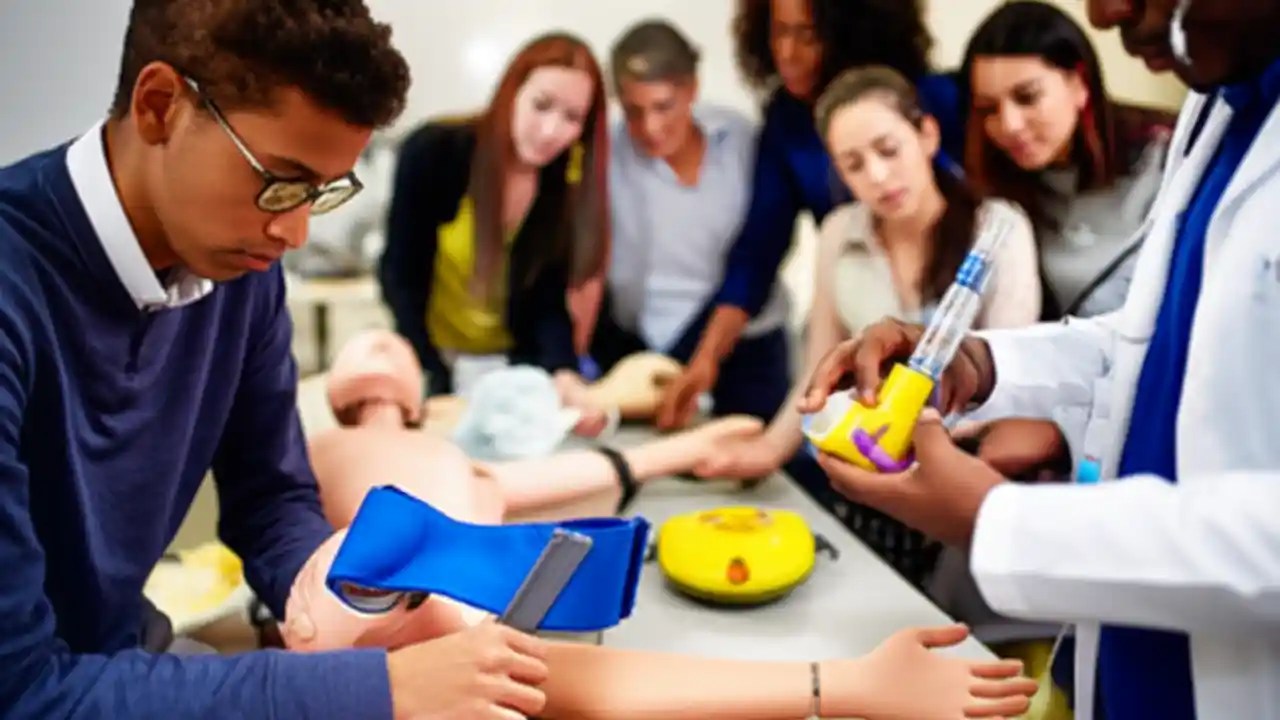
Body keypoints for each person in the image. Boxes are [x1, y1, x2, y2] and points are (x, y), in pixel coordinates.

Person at [0, 2, 572, 718]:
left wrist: (344, 595)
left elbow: (270, 499)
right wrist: (384, 689)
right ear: (160, 106)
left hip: (122, 659)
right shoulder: (17, 288)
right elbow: (21, 689)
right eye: (279, 181)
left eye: (319, 193)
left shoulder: (238, 269)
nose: (294, 232)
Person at [799, 0, 1280, 716]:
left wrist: (994, 519)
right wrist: (981, 363)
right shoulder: (1221, 110)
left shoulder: (1004, 219)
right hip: (1128, 660)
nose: (1103, 11)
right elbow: (1155, 345)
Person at [280, 332, 1040, 720]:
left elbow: (576, 475)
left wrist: (687, 448)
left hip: (419, 605)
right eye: (363, 359)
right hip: (374, 603)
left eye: (391, 353)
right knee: (529, 671)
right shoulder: (315, 454)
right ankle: (849, 684)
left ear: (421, 401)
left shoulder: (460, 467)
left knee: (528, 670)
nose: (377, 356)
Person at [694, 66, 1039, 587]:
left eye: (888, 150)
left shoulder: (997, 228)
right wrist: (766, 450)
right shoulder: (839, 231)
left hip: (961, 475)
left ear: (927, 134)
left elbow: (1007, 381)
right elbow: (819, 369)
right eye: (853, 164)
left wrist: (913, 438)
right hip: (864, 474)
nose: (877, 176)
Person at [654, 0, 967, 429]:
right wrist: (705, 361)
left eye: (806, 35)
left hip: (952, 325)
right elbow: (757, 252)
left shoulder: (935, 101)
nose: (786, 52)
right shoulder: (788, 125)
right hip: (855, 332)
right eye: (777, 32)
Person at [379, 32, 609, 434]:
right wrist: (430, 373)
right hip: (432, 359)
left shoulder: (560, 185)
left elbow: (547, 299)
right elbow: (400, 275)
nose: (551, 131)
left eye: (572, 118)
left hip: (511, 374)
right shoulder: (435, 152)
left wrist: (564, 373)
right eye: (541, 105)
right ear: (511, 92)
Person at [594, 19, 792, 424]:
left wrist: (707, 356)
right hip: (646, 350)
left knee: (759, 454)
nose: (650, 127)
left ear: (691, 89)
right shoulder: (605, 155)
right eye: (633, 111)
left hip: (747, 343)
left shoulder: (741, 139)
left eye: (663, 106)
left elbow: (758, 253)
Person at [960, 0, 1177, 319]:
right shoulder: (996, 201)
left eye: (1027, 97)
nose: (1009, 125)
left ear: (1079, 82)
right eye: (988, 108)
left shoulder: (1167, 157)